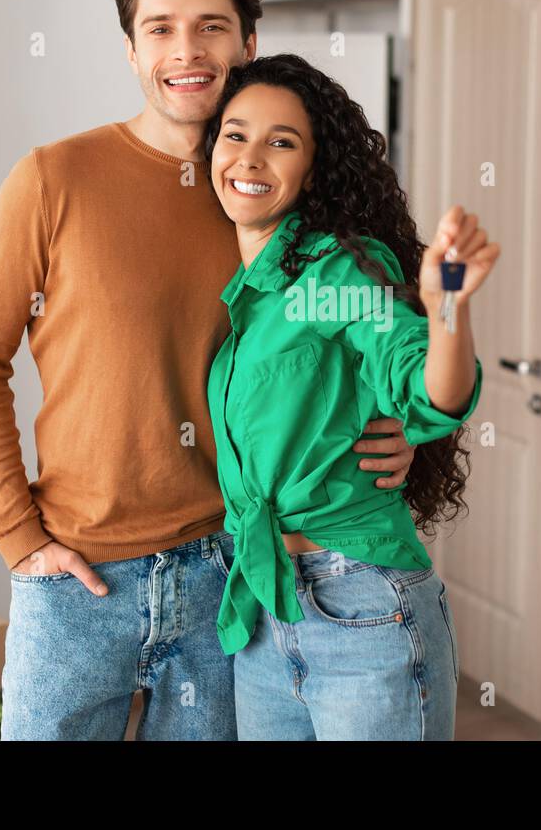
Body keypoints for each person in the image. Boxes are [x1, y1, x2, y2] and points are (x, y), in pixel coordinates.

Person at [0, 0, 418, 740]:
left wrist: (398, 434)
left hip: (229, 574)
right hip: (77, 580)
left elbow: (362, 346)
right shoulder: (54, 178)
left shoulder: (266, 196)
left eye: (211, 26)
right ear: (131, 49)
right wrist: (18, 537)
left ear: (248, 42)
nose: (186, 49)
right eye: (160, 28)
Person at [202, 54, 500, 740]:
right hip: (264, 606)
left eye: (282, 142)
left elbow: (427, 388)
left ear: (314, 166)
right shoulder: (243, 287)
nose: (249, 157)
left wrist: (446, 310)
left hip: (361, 608)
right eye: (235, 134)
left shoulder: (337, 268)